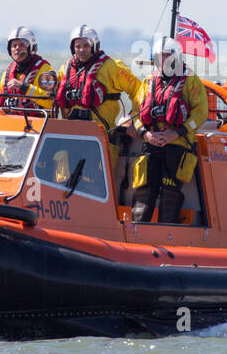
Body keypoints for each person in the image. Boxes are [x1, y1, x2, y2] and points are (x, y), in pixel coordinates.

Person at [130, 35, 208, 224]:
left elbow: (200, 113)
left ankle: (167, 231)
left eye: (168, 56)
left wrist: (177, 133)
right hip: (152, 142)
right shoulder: (148, 82)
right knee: (144, 189)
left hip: (178, 144)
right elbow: (136, 114)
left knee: (170, 190)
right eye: (160, 56)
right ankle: (138, 230)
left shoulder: (190, 81)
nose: (164, 60)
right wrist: (145, 134)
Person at [54, 25, 140, 161]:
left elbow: (139, 91)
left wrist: (134, 121)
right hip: (70, 135)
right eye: (77, 46)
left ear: (94, 46)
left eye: (86, 46)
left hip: (101, 135)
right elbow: (53, 95)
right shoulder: (66, 69)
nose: (81, 50)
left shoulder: (112, 67)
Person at [0, 26, 57, 114]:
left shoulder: (45, 70)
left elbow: (51, 103)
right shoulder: (7, 73)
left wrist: (25, 87)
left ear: (31, 48)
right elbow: (0, 103)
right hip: (11, 122)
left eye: (21, 45)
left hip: (37, 122)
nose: (17, 48)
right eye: (14, 46)